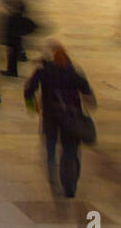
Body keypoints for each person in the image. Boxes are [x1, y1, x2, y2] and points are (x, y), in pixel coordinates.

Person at [23, 44, 96, 199]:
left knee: (50, 146)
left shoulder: (43, 71)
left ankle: (52, 174)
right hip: (71, 116)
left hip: (50, 115)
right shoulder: (73, 71)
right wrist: (90, 103)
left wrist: (32, 107)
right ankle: (69, 183)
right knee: (70, 150)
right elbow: (87, 90)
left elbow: (28, 90)